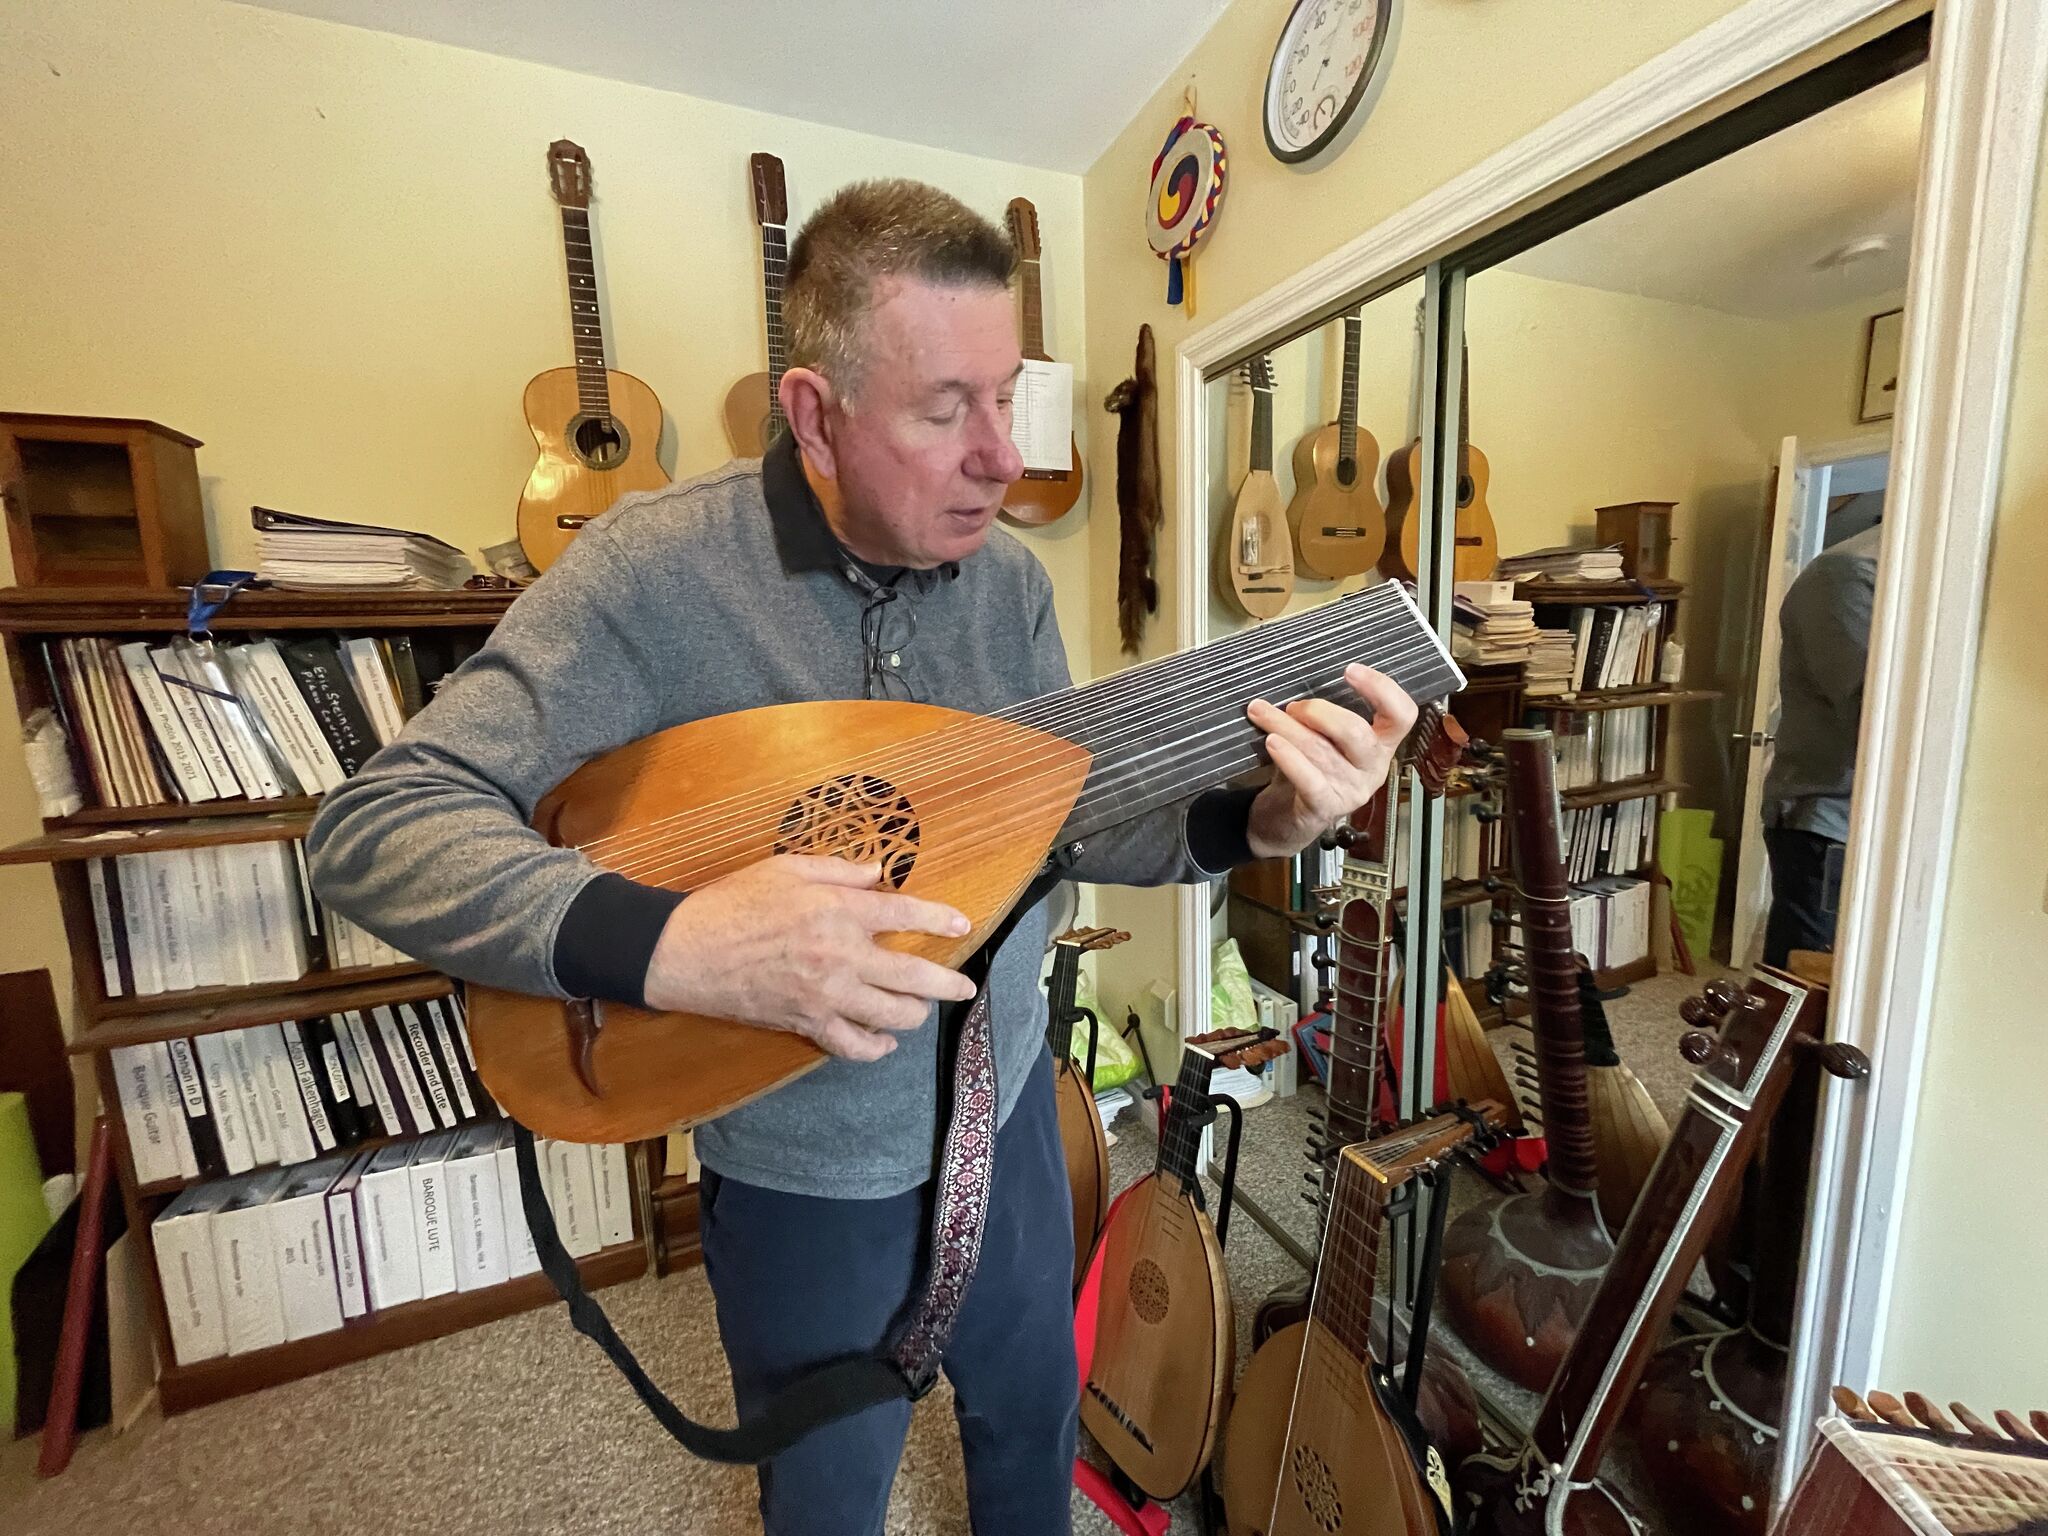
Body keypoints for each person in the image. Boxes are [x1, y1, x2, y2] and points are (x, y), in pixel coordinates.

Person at [306, 178, 1417, 1535]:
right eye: (946, 410)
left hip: (1006, 1121)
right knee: (829, 1495)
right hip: (799, 1170)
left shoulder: (1005, 587)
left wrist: (1258, 822)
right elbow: (373, 827)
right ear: (814, 417)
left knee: (1031, 1422)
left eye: (1010, 399)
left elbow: (1060, 814)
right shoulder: (650, 575)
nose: (1002, 459)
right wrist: (677, 940)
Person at [1759, 519, 1882, 967]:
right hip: (1823, 822)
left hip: (1861, 822)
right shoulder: (1844, 577)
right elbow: (1875, 716)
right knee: (1803, 987)